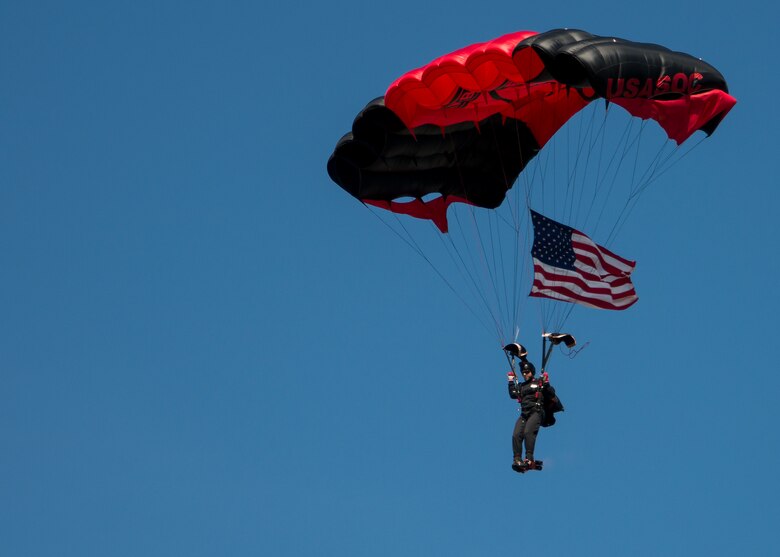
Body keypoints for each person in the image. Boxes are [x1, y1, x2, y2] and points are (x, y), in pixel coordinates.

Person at [507, 359, 559, 471]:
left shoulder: (539, 382)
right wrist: (511, 381)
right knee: (516, 434)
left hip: (536, 411)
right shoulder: (521, 386)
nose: (525, 374)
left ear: (532, 371)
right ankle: (517, 459)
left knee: (528, 432)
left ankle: (529, 459)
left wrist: (546, 383)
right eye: (523, 373)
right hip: (525, 413)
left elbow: (551, 394)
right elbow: (513, 394)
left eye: (527, 372)